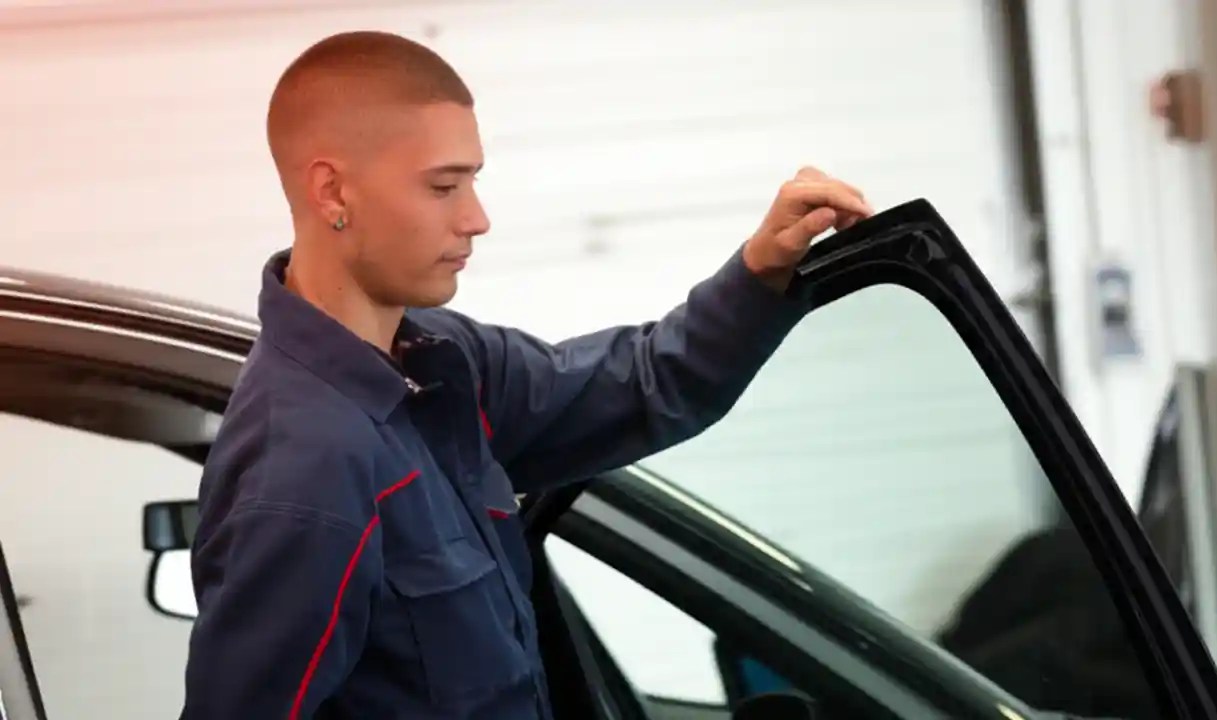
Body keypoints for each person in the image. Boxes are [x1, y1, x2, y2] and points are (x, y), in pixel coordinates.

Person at [180, 30, 872, 720]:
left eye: (472, 182)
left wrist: (760, 271)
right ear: (333, 191)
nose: (476, 219)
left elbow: (644, 385)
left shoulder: (444, 363)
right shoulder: (303, 468)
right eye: (443, 186)